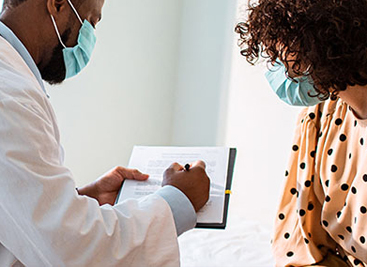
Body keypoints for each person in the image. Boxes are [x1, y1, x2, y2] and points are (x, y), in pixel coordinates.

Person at [0, 0, 210, 266]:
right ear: (57, 4)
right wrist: (177, 200)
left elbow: (15, 211)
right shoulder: (10, 94)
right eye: (91, 22)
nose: (89, 40)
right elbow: (73, 250)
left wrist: (82, 199)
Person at [236, 0, 367, 266]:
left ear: (319, 46)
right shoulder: (319, 119)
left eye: (280, 55)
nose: (279, 70)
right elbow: (301, 242)